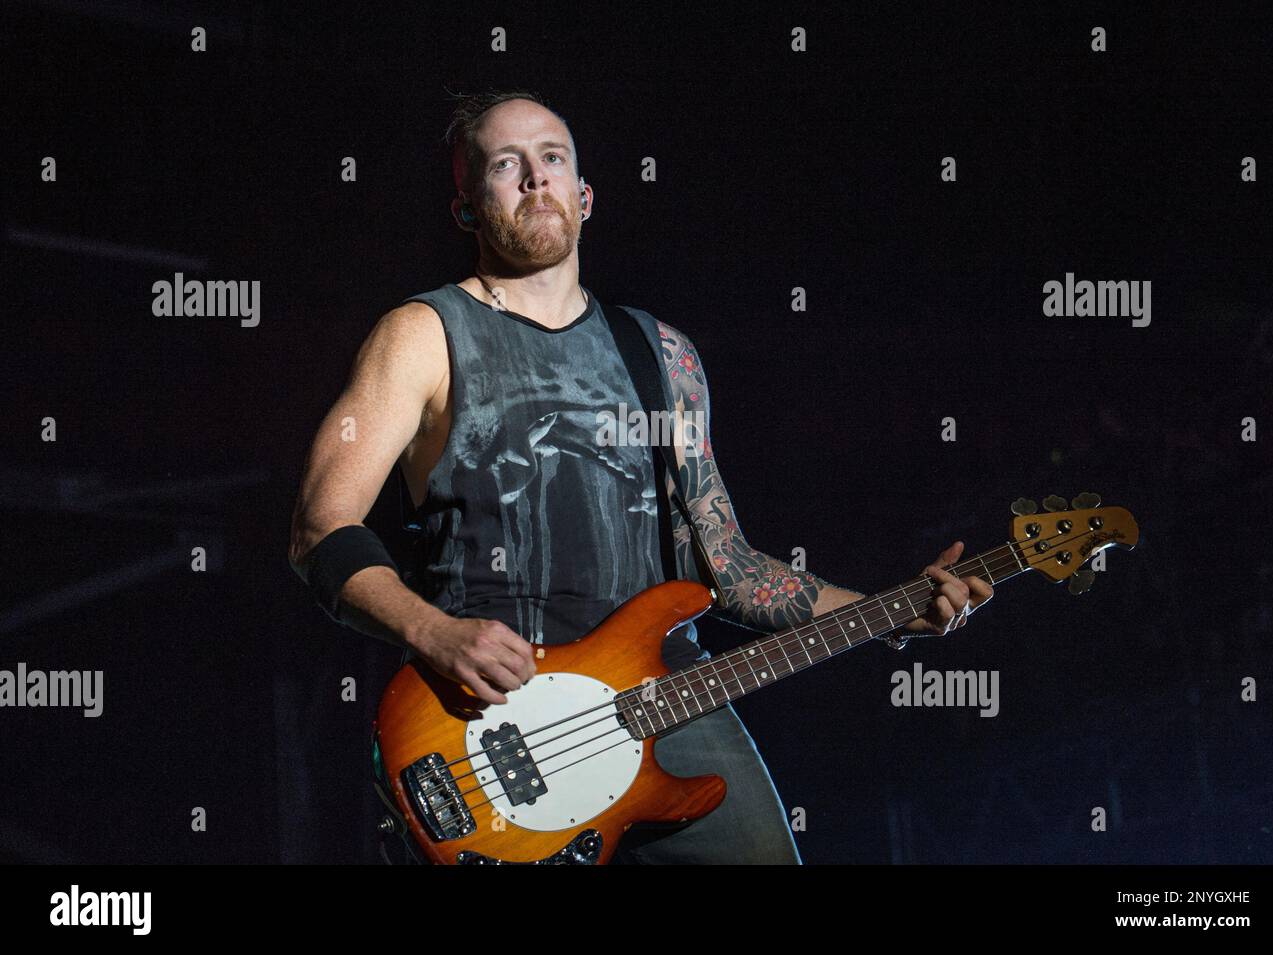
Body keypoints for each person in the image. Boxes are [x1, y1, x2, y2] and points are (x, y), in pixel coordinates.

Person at [287, 89, 993, 864]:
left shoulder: (663, 354)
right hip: (488, 716)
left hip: (667, 697)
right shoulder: (423, 334)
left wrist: (891, 611)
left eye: (552, 159)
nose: (534, 179)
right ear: (465, 208)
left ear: (585, 197)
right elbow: (323, 527)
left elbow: (732, 569)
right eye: (505, 165)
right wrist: (434, 631)